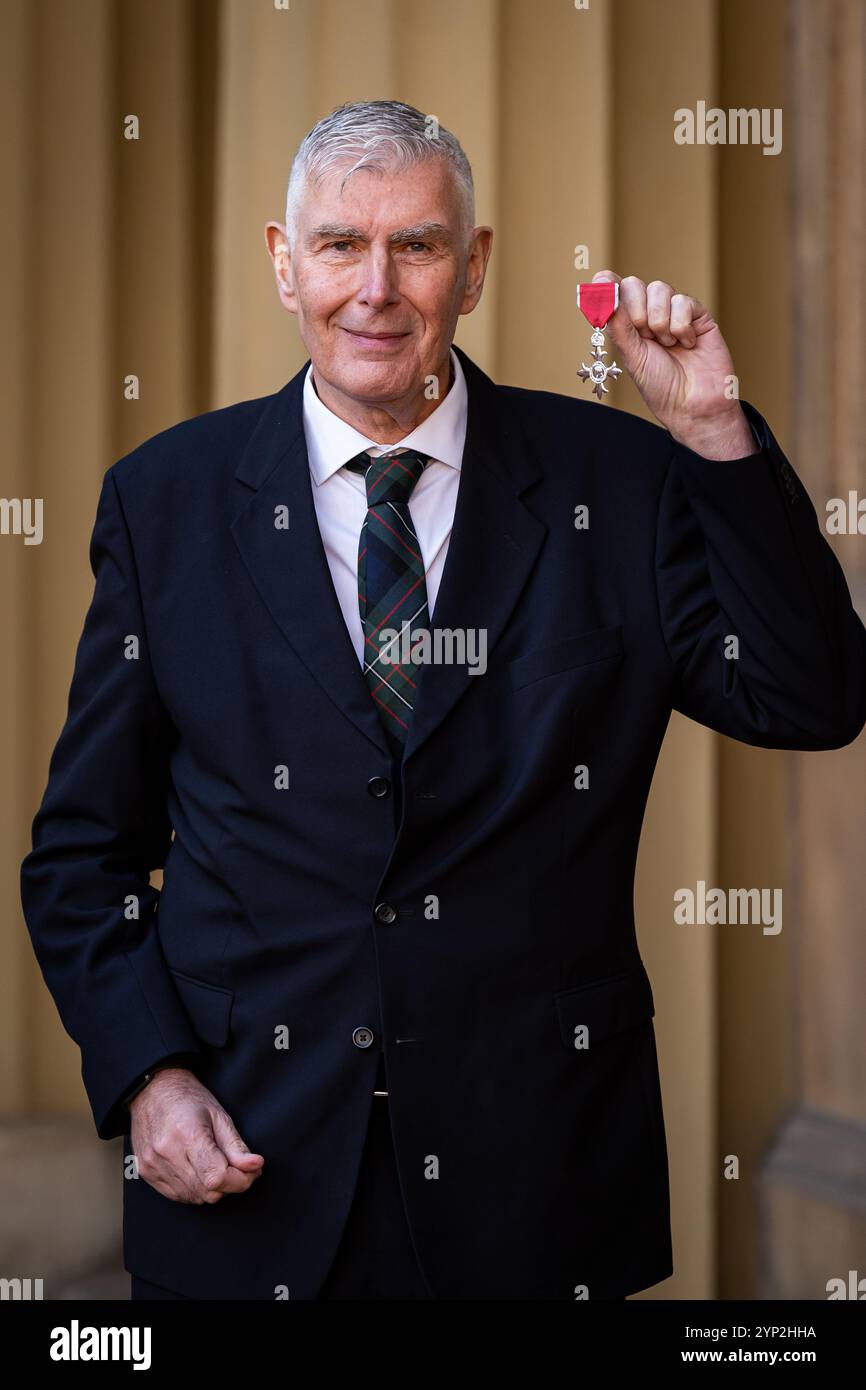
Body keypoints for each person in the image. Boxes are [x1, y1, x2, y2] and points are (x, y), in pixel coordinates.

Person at [20, 100, 866, 1301]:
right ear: (281, 261)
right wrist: (147, 1075)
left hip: (536, 1190)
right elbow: (81, 857)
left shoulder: (617, 481)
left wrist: (716, 435)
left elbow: (813, 695)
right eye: (337, 245)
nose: (375, 288)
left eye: (415, 246)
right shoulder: (164, 504)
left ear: (472, 269)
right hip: (249, 1181)